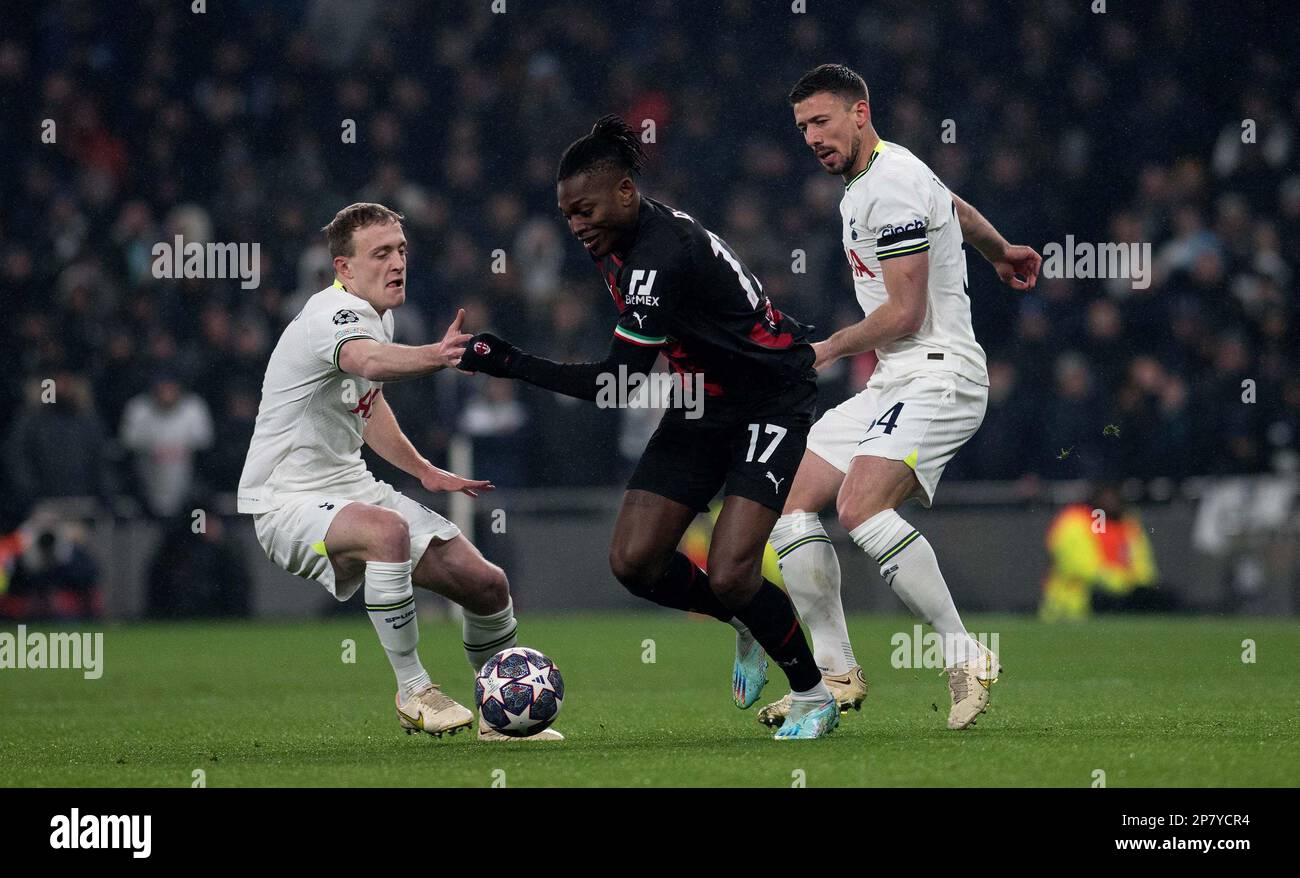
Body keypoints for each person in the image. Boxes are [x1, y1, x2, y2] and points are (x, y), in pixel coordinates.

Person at [458, 116, 839, 739]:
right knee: (635, 561)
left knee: (734, 571)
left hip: (773, 397)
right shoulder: (618, 243)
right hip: (702, 402)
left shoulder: (659, 255)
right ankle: (745, 619)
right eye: (568, 215)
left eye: (585, 210)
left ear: (625, 193)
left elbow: (618, 381)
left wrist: (506, 360)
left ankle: (813, 692)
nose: (577, 225)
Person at [758, 65, 1042, 731]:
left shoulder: (885, 188)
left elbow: (907, 313)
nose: (812, 139)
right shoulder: (888, 170)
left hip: (940, 374)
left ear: (861, 112)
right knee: (791, 502)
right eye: (802, 128)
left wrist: (822, 350)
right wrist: (1000, 251)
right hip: (896, 376)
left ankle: (963, 653)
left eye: (822, 122)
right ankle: (836, 674)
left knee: (858, 507)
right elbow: (956, 206)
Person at [237, 202, 561, 742]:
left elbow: (368, 404)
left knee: (487, 585)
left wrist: (424, 470)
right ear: (344, 268)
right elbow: (367, 364)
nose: (396, 263)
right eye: (381, 253)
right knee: (388, 533)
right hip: (284, 501)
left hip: (350, 488)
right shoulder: (330, 317)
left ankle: (500, 720)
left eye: (401, 251)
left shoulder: (377, 315)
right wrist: (439, 354)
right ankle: (413, 690)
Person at [1040, 482, 1167, 621]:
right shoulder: (1075, 520)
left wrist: (1139, 586)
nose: (1110, 501)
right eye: (1105, 495)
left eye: (1114, 495)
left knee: (1160, 598)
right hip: (1078, 601)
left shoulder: (1127, 523)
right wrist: (1121, 582)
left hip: (1121, 593)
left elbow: (1142, 563)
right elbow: (1078, 566)